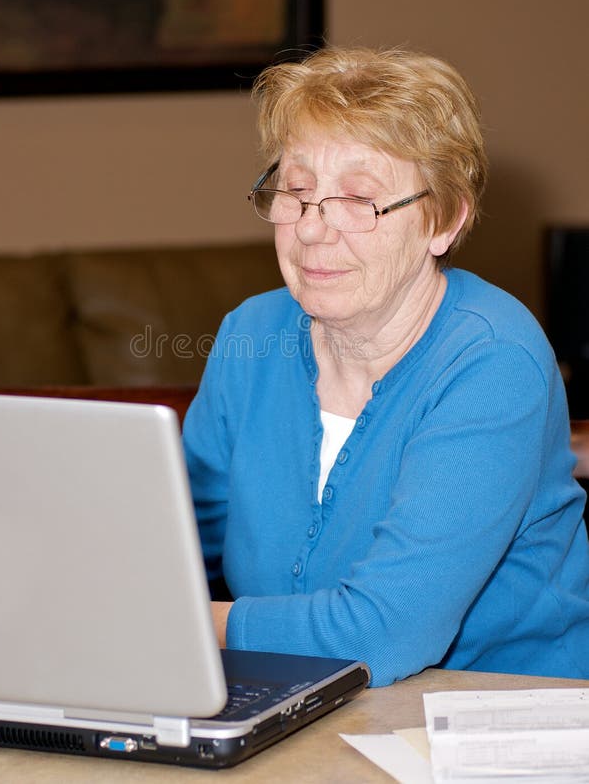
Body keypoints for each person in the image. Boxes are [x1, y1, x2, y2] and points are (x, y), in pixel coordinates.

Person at [182, 46, 589, 687]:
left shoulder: (493, 364)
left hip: (494, 720)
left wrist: (184, 624)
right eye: (297, 190)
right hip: (292, 700)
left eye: (359, 200)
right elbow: (176, 544)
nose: (314, 230)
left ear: (444, 220)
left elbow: (380, 634)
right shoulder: (250, 336)